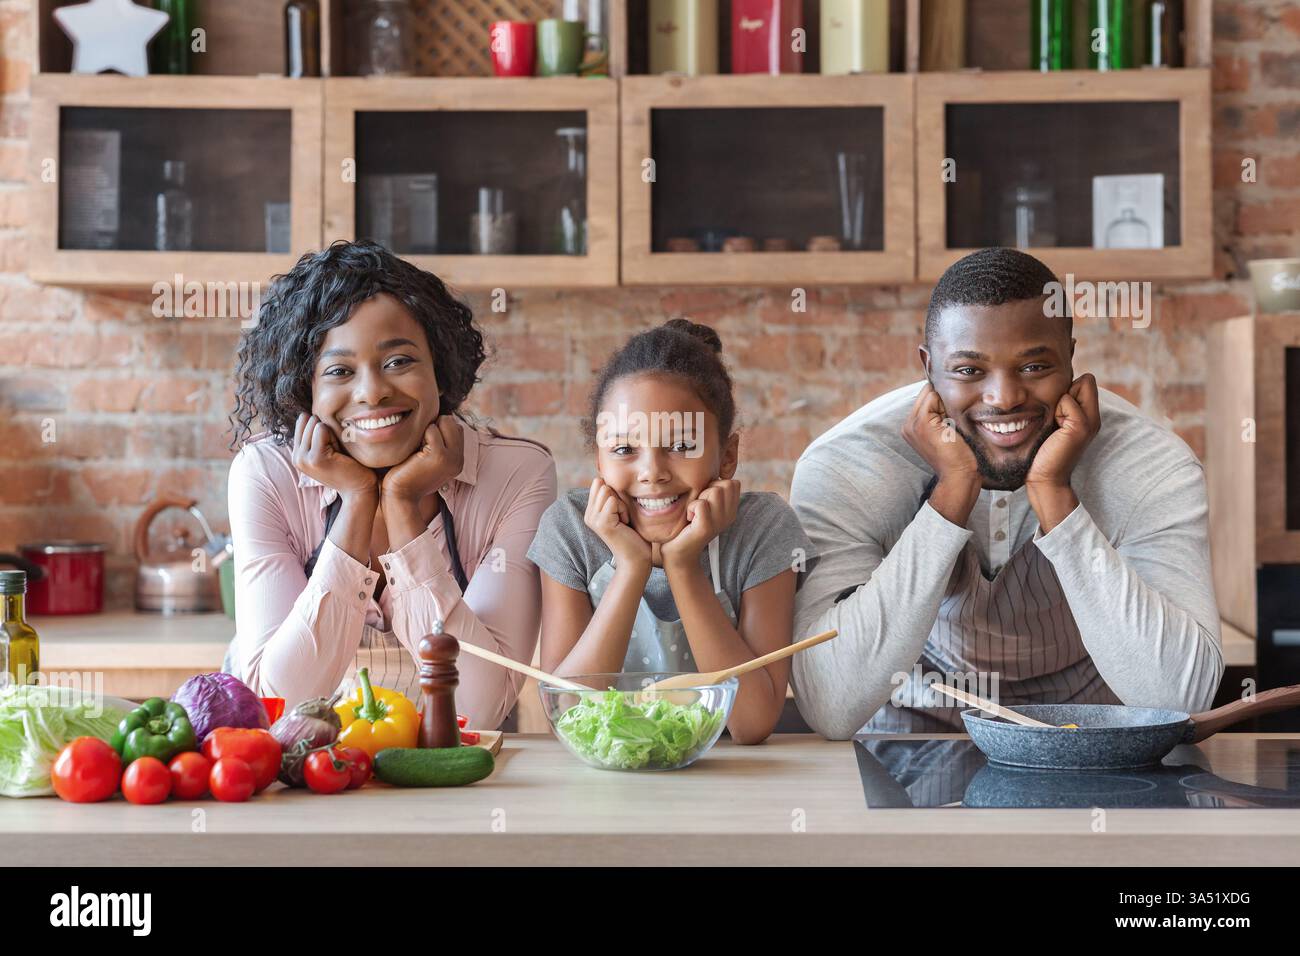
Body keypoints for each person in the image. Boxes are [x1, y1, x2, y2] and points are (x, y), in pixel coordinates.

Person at [790, 247, 1223, 738]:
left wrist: (1054, 494)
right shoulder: (849, 464)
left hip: (1092, 738)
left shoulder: (1150, 464)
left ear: (1070, 357)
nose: (1004, 397)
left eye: (1034, 367)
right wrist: (952, 494)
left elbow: (1179, 699)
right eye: (969, 371)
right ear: (928, 369)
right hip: (912, 736)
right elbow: (829, 704)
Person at [225, 240, 556, 727]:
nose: (373, 391)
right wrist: (359, 502)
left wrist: (400, 505)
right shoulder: (267, 475)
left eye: (399, 361)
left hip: (454, 777)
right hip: (305, 776)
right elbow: (278, 707)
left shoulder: (515, 476)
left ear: (440, 371)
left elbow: (477, 710)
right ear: (305, 390)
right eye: (339, 371)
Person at [527, 319, 815, 744]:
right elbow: (567, 718)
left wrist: (682, 565)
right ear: (599, 461)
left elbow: (752, 723)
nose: (652, 473)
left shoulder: (763, 528)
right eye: (625, 449)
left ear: (727, 456)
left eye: (682, 447)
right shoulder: (570, 527)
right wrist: (630, 567)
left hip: (730, 786)